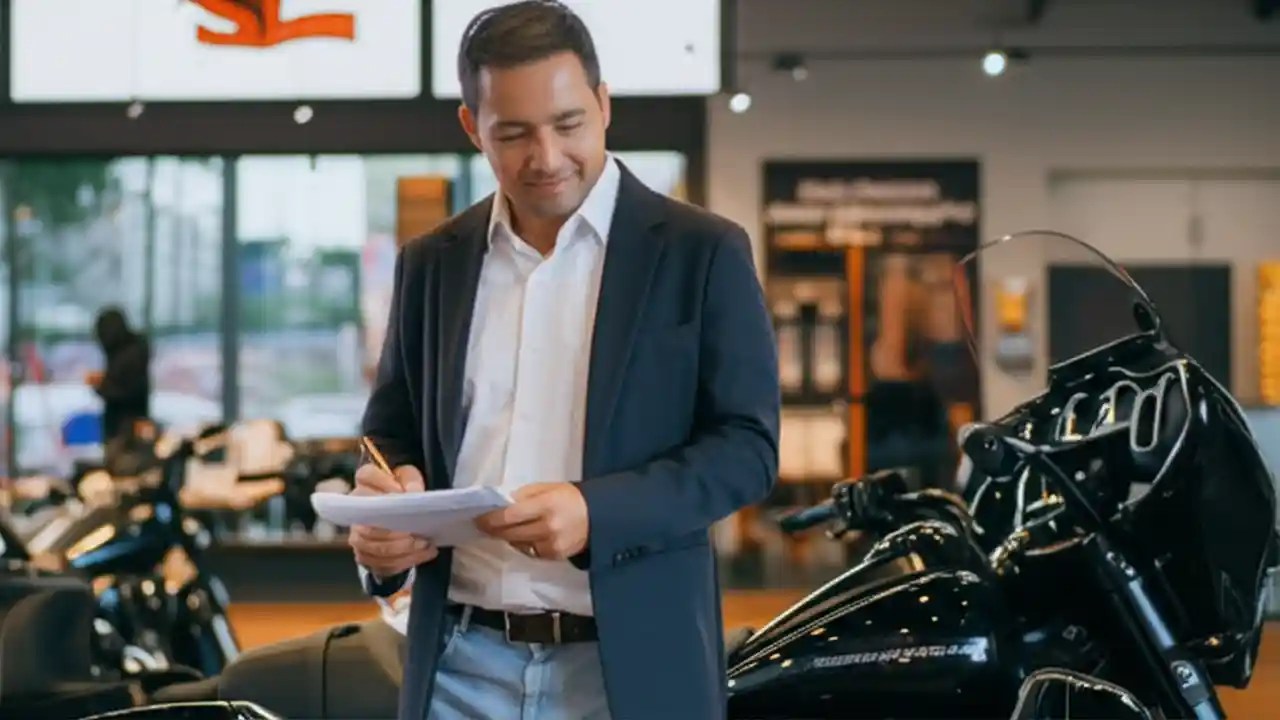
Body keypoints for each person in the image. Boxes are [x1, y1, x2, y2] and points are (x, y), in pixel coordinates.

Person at [348, 2, 780, 718]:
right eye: (512, 134)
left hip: (629, 669)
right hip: (458, 665)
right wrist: (383, 519)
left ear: (604, 106)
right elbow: (388, 432)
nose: (545, 158)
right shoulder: (433, 263)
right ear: (471, 128)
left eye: (568, 124)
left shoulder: (701, 252)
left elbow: (747, 449)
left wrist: (595, 511)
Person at [87, 307, 151, 458]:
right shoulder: (134, 350)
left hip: (123, 428)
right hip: (134, 423)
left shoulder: (125, 356)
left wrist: (100, 385)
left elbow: (121, 390)